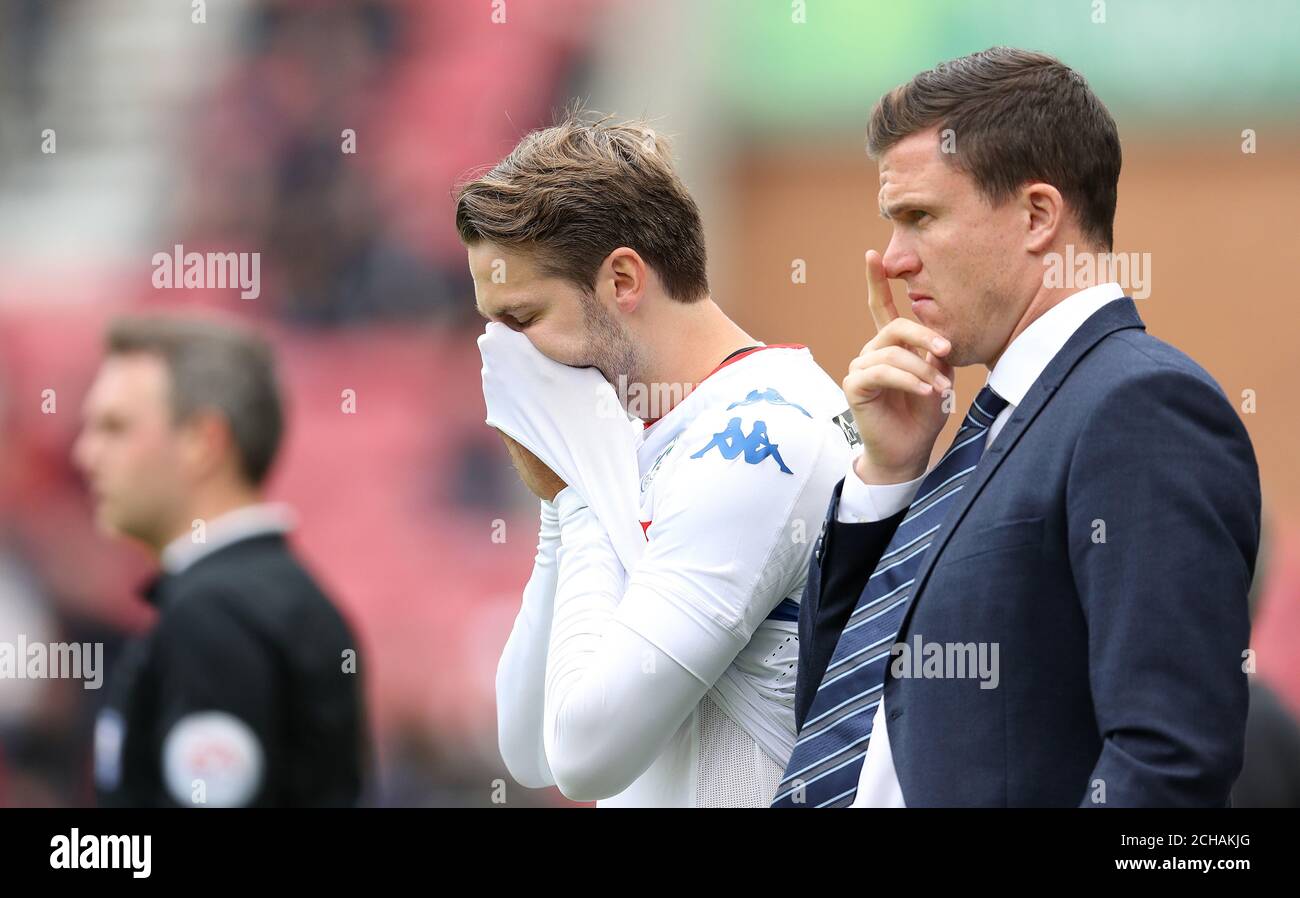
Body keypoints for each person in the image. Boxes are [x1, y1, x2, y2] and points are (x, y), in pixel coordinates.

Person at [775, 47, 1260, 807]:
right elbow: (847, 724)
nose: (892, 260)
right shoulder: (986, 423)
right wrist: (887, 478)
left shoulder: (1142, 406)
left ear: (1037, 216)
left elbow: (1169, 763)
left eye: (919, 218)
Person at [458, 110, 856, 806]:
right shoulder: (634, 432)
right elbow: (529, 750)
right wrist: (562, 500)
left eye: (522, 321)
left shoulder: (761, 434)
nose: (505, 362)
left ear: (621, 282)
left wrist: (578, 499)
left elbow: (584, 758)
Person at [74, 315, 367, 807]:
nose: (85, 454)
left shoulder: (213, 614)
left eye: (114, 428)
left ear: (203, 441)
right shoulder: (283, 596)